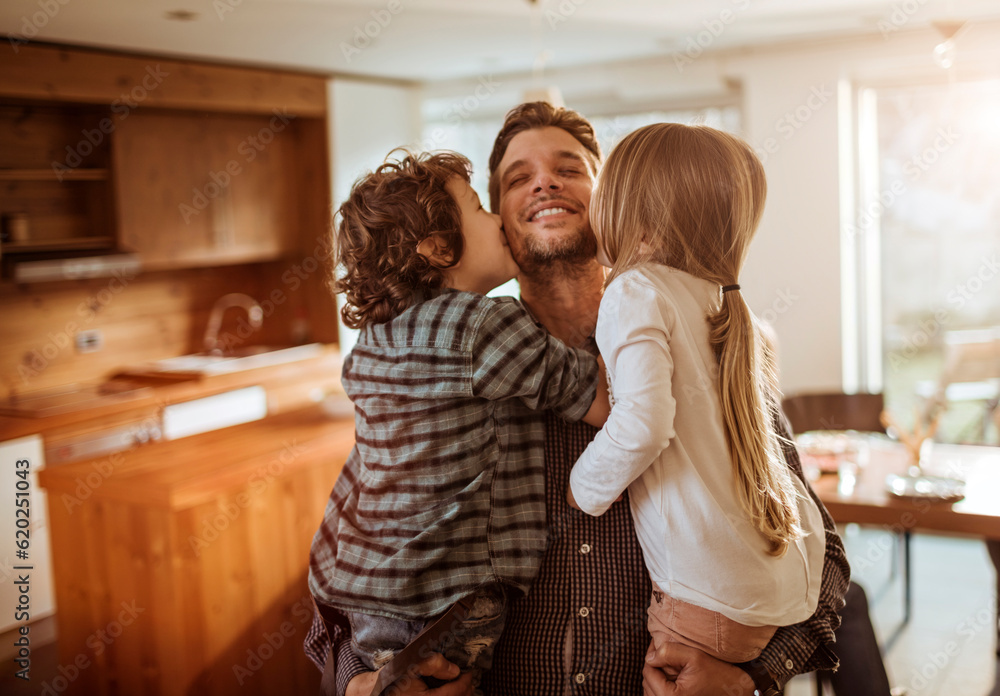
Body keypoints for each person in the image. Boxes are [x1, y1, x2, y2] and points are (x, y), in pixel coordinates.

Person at [306, 102, 851, 696]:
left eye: (570, 169)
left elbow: (821, 561)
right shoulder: (438, 383)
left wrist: (749, 678)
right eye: (516, 179)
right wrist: (360, 680)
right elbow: (353, 556)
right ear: (499, 226)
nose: (544, 182)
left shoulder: (709, 350)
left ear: (613, 202)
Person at [308, 150, 610, 690]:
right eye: (487, 203)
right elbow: (610, 402)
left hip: (371, 597)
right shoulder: (488, 327)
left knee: (402, 678)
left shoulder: (377, 343)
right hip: (455, 596)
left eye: (568, 171)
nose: (541, 188)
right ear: (440, 248)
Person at [565, 122, 827, 669]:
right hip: (767, 588)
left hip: (701, 596)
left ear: (627, 209)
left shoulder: (633, 290)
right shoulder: (722, 302)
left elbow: (644, 422)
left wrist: (584, 487)